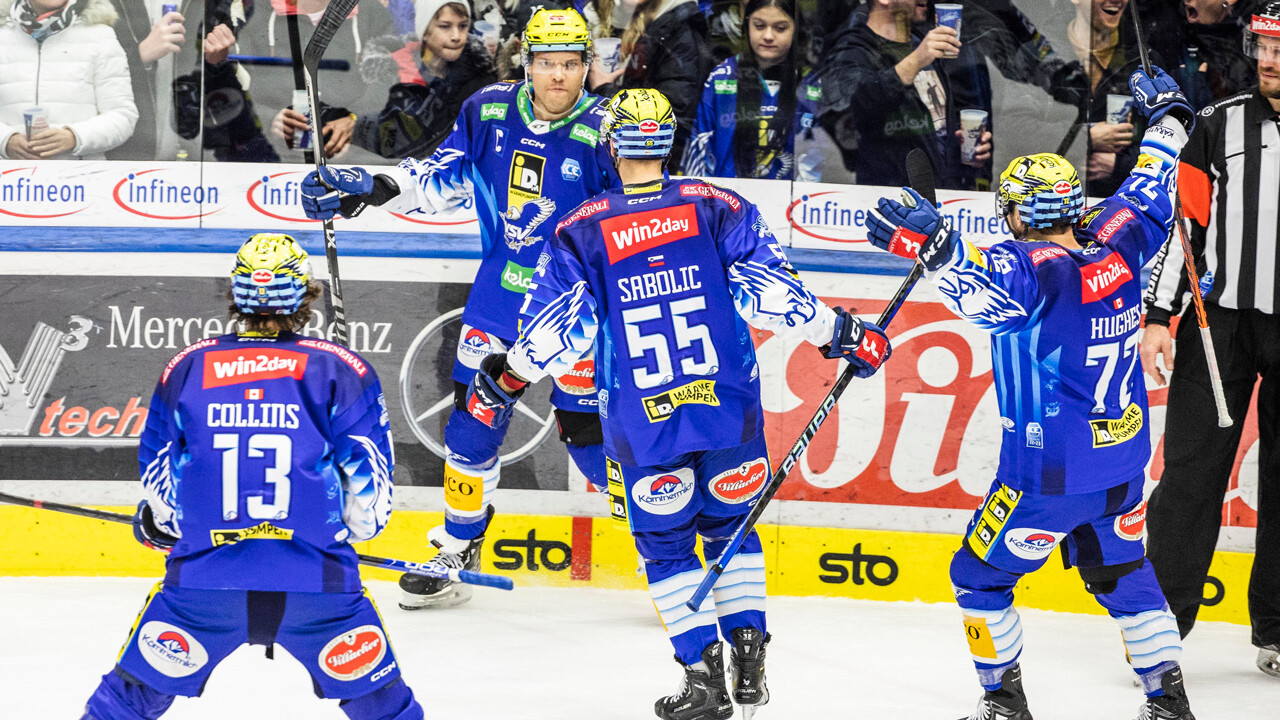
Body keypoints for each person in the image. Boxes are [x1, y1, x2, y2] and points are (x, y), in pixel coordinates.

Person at [463, 87, 892, 720]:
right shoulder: (718, 204)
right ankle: (750, 661)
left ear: (612, 144)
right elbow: (774, 293)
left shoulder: (582, 228)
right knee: (732, 533)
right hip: (727, 404)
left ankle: (702, 680)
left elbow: (557, 331)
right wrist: (840, 333)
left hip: (645, 417)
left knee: (666, 550)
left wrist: (508, 374)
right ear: (667, 140)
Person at [865, 66, 1198, 720]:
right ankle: (1168, 701)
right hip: (1124, 464)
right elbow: (1154, 181)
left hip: (1045, 477)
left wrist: (934, 254)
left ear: (1019, 213)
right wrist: (1171, 118)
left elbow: (981, 290)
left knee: (978, 575)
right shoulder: (1120, 241)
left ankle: (1003, 704)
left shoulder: (1028, 268)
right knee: (1124, 574)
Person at [299, 7, 619, 610]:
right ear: (527, 63)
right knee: (471, 425)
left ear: (586, 65)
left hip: (581, 311)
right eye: (547, 64)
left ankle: (669, 539)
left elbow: (638, 216)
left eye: (571, 65)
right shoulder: (489, 109)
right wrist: (372, 189)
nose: (559, 77)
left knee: (590, 440)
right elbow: (441, 175)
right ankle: (458, 542)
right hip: (501, 295)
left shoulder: (608, 126)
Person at [79, 233, 423, 720]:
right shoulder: (341, 368)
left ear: (235, 295)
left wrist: (159, 523)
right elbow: (370, 507)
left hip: (201, 590)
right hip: (320, 590)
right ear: (307, 295)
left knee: (127, 700)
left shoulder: (188, 365)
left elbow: (160, 480)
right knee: (383, 707)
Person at [1140, 0, 1280, 678]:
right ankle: (1161, 622)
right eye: (1265, 47)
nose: (1273, 61)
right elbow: (1184, 234)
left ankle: (1278, 628)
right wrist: (1157, 318)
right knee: (1190, 470)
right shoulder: (1217, 125)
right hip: (1216, 324)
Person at [273, 0, 499, 159]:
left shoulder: (480, 81)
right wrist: (322, 119)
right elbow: (368, 113)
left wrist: (355, 126)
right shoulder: (389, 68)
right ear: (424, 30)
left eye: (463, 26)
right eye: (444, 26)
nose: (456, 36)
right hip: (386, 175)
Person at [816, 0, 993, 189]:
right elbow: (856, 105)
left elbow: (932, 130)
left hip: (941, 198)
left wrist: (962, 147)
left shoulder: (924, 44)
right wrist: (916, 61)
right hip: (891, 202)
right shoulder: (853, 50)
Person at [680, 0, 823, 181]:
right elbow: (699, 151)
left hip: (788, 205)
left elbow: (813, 164)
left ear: (796, 30)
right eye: (759, 26)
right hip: (725, 203)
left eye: (780, 28)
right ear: (747, 25)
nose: (768, 36)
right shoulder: (721, 77)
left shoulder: (809, 85)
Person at [0, 0, 139, 160]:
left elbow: (122, 116)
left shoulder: (100, 36)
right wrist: (6, 141)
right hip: (10, 179)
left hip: (81, 179)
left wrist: (75, 137)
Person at [582, 0, 716, 166]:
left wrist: (604, 90)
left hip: (648, 163)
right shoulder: (591, 18)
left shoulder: (679, 28)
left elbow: (672, 117)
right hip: (595, 156)